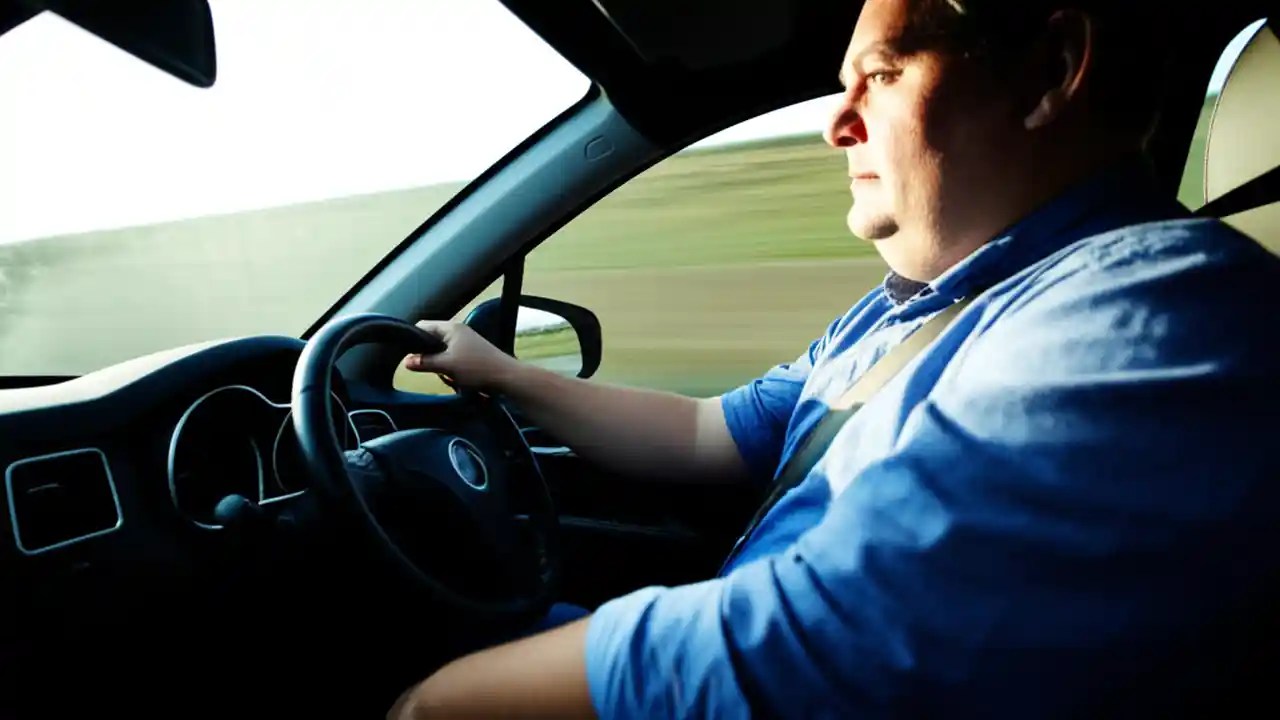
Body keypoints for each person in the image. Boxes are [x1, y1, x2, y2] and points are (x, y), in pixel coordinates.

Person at [389, 0, 1280, 717]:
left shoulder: (1158, 316)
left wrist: (436, 703)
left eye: (882, 75)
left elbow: (829, 645)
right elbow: (709, 432)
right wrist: (499, 370)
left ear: (1049, 73)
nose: (835, 125)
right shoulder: (903, 315)